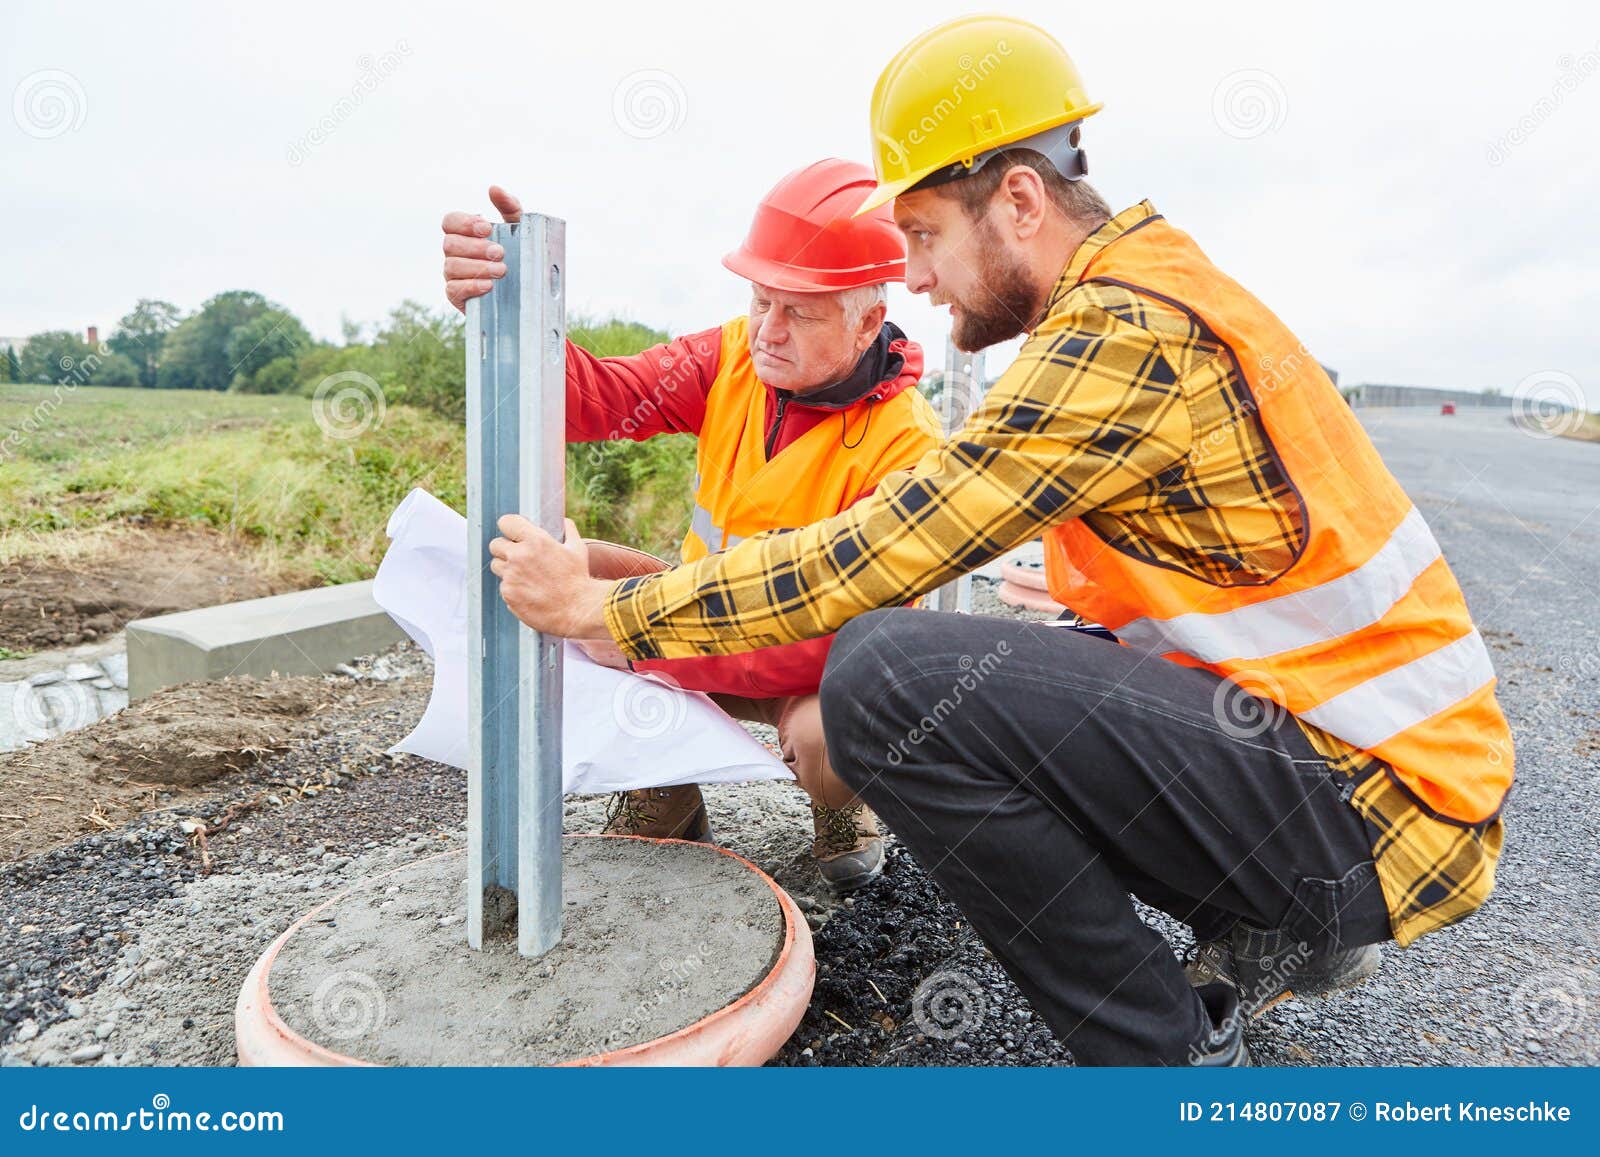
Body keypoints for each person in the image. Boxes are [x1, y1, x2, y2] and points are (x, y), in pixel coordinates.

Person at [483, 16, 1514, 1065]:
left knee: (891, 677)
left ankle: (1166, 1059)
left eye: (924, 234)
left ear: (1017, 199)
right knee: (1031, 666)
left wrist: (603, 610)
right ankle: (1270, 918)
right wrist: (510, 296)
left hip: (1370, 813)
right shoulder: (1144, 290)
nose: (916, 278)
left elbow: (870, 557)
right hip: (1361, 785)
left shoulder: (1121, 334)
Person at [442, 159, 939, 889]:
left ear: (868, 320)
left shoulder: (908, 447)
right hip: (698, 621)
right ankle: (665, 787)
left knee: (828, 737)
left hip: (818, 668)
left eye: (797, 310)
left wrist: (636, 638)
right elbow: (593, 400)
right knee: (554, 574)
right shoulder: (732, 356)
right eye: (759, 298)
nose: (766, 330)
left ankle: (842, 799)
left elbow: (830, 641)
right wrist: (507, 305)